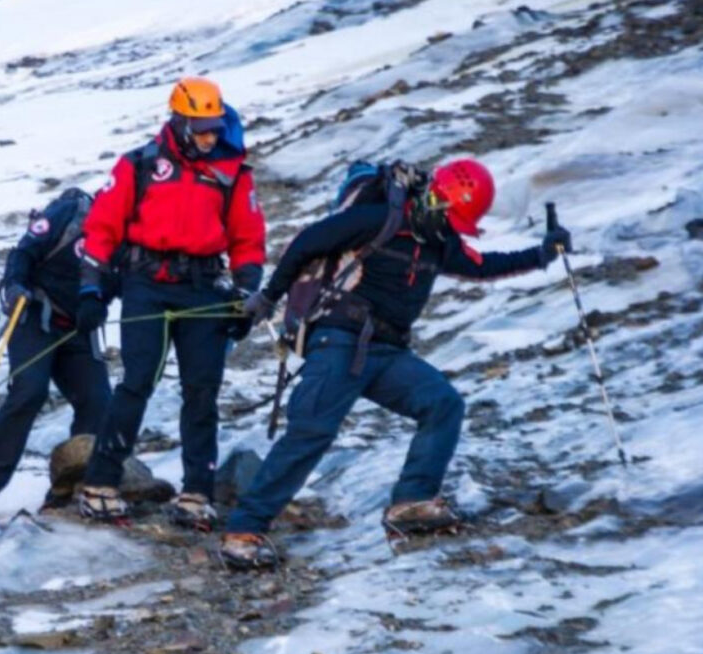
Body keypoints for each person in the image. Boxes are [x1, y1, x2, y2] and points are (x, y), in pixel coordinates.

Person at [220, 158, 573, 569]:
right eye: (448, 217)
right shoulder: (376, 219)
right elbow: (307, 243)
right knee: (311, 433)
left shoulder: (439, 238)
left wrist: (542, 254)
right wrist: (268, 297)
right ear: (432, 197)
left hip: (387, 350)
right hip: (339, 339)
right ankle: (243, 529)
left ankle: (412, 502)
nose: (448, 227)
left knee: (442, 404)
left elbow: (482, 266)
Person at [75, 77, 267, 530]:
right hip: (146, 284)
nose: (209, 136)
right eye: (200, 128)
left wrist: (246, 292)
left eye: (214, 127)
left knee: (202, 391)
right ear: (178, 121)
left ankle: (197, 490)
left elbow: (248, 239)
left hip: (204, 290)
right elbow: (101, 227)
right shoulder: (138, 164)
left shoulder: (232, 172)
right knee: (137, 382)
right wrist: (90, 288)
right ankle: (101, 480)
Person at [0, 189, 115, 520]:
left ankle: (69, 489)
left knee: (98, 401)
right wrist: (15, 286)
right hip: (35, 315)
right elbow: (23, 253)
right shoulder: (71, 211)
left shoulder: (129, 239)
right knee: (29, 390)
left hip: (79, 329)